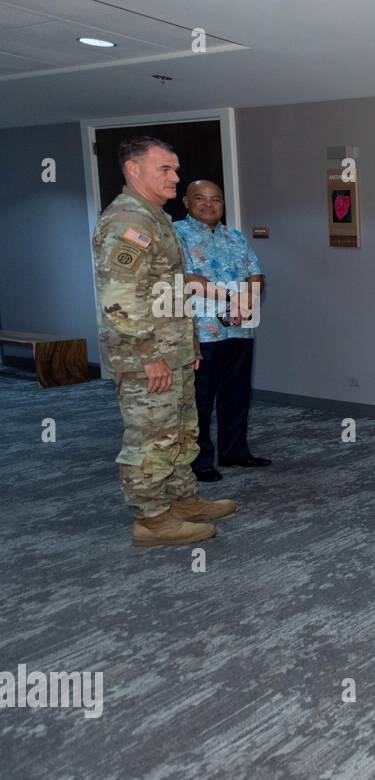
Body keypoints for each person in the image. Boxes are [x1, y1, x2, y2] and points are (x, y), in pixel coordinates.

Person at [92, 137, 235, 546]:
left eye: (176, 169)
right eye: (165, 170)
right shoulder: (128, 223)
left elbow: (166, 288)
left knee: (180, 431)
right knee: (151, 436)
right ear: (133, 170)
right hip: (148, 356)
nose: (176, 177)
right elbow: (120, 300)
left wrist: (186, 346)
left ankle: (181, 500)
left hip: (172, 350)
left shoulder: (155, 218)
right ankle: (151, 520)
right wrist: (148, 356)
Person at [175, 180, 268, 482]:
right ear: (186, 202)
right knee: (200, 399)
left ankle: (234, 451)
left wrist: (249, 299)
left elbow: (255, 271)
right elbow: (187, 278)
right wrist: (233, 298)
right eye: (200, 198)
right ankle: (199, 461)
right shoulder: (176, 235)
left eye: (216, 199)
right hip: (202, 331)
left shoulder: (235, 236)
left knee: (237, 394)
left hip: (239, 330)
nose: (209, 204)